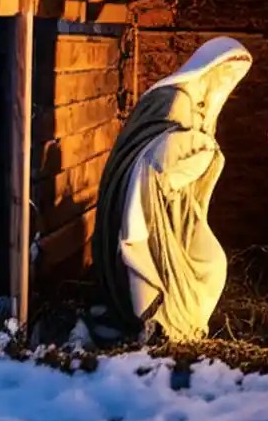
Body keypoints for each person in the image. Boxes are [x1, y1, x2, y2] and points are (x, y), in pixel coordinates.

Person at [90, 37, 251, 342]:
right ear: (208, 69)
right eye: (223, 75)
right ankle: (170, 319)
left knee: (212, 262)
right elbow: (154, 153)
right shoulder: (174, 100)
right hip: (150, 206)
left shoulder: (195, 107)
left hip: (174, 208)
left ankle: (186, 320)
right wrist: (201, 149)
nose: (225, 85)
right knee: (211, 262)